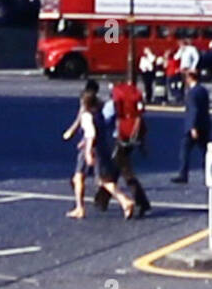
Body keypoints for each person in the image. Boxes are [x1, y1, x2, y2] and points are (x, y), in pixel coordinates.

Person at [62, 87, 135, 220]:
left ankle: (124, 201)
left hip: (93, 150)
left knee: (103, 180)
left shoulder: (87, 116)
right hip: (101, 147)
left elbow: (91, 134)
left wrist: (88, 150)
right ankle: (79, 206)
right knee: (79, 177)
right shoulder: (98, 113)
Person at [97, 81, 152, 217]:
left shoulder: (112, 104)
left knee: (125, 171)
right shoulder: (133, 107)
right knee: (117, 166)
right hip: (132, 136)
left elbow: (105, 120)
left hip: (120, 137)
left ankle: (141, 202)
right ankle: (101, 199)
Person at [170, 68, 210, 183]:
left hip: (193, 127)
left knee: (185, 151)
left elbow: (193, 110)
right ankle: (208, 174)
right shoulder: (203, 90)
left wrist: (192, 127)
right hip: (204, 125)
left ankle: (183, 174)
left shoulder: (192, 93)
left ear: (189, 78)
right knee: (205, 152)